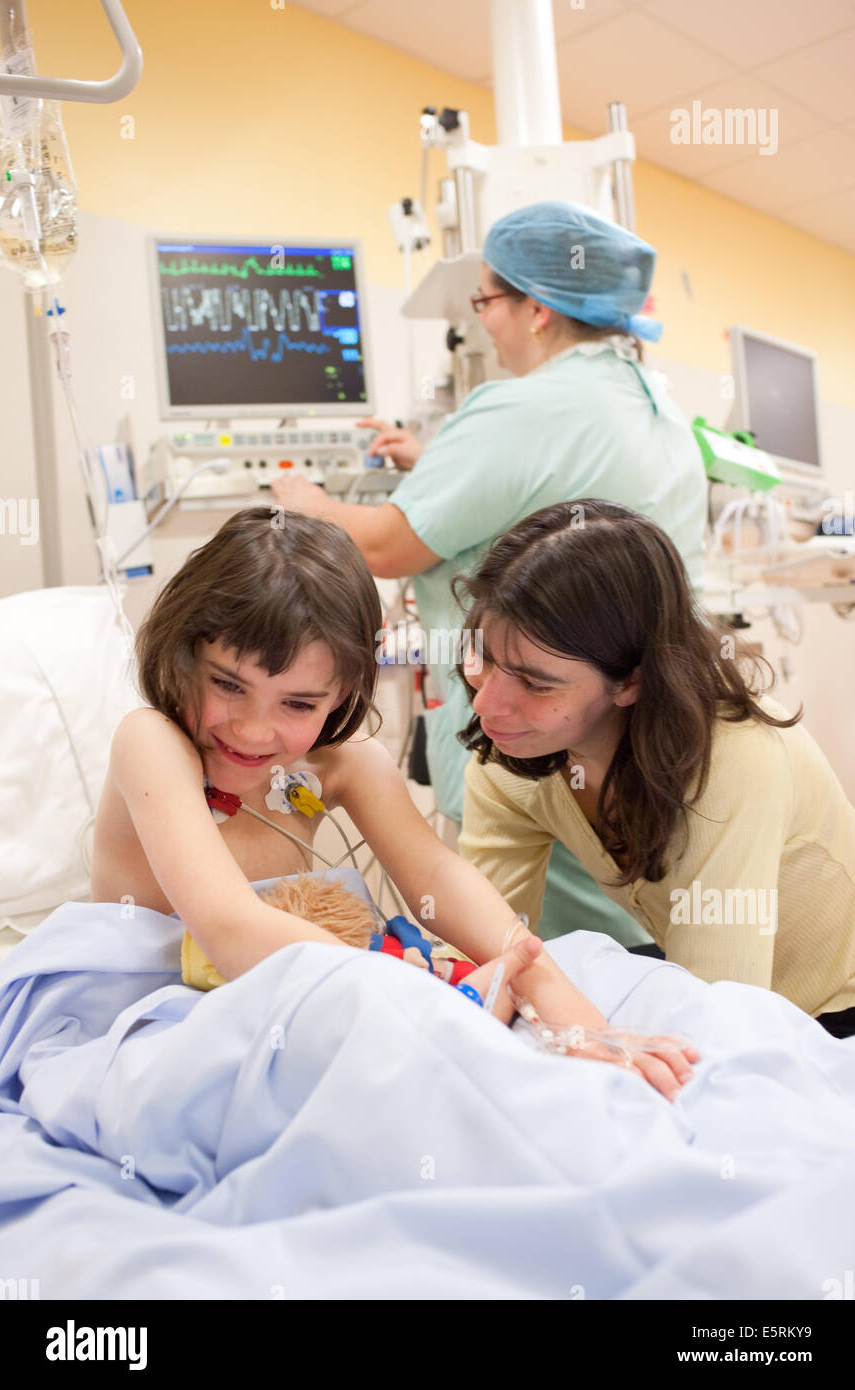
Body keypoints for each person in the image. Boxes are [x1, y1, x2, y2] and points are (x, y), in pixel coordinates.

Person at [89, 506, 699, 1099]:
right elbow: (228, 926)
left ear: (342, 693)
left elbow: (439, 878)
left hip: (308, 1000)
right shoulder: (153, 743)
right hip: (159, 1018)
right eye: (228, 685)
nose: (252, 730)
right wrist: (418, 994)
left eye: (298, 704)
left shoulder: (345, 764)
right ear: (184, 651)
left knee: (561, 1024)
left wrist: (569, 1011)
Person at [270, 200, 708, 947]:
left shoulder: (517, 408)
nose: (485, 322)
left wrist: (302, 498)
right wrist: (432, 460)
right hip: (636, 728)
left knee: (540, 943)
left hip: (533, 734)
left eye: (488, 301)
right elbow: (544, 487)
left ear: (537, 310)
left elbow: (384, 546)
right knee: (626, 924)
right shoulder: (656, 409)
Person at [457, 500, 855, 1034]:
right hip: (709, 983)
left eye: (535, 683)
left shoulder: (733, 759)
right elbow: (483, 947)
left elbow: (717, 1022)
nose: (487, 705)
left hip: (831, 1011)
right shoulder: (517, 747)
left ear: (631, 680)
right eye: (484, 658)